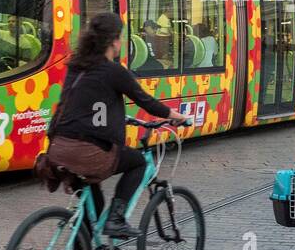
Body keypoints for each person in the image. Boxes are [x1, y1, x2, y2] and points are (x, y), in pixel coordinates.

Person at [48, 13, 189, 238]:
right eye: (120, 38)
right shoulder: (113, 71)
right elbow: (145, 101)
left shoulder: (76, 66)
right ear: (114, 41)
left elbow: (80, 104)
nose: (121, 43)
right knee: (138, 163)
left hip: (58, 148)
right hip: (87, 153)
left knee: (91, 206)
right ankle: (116, 219)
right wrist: (175, 116)